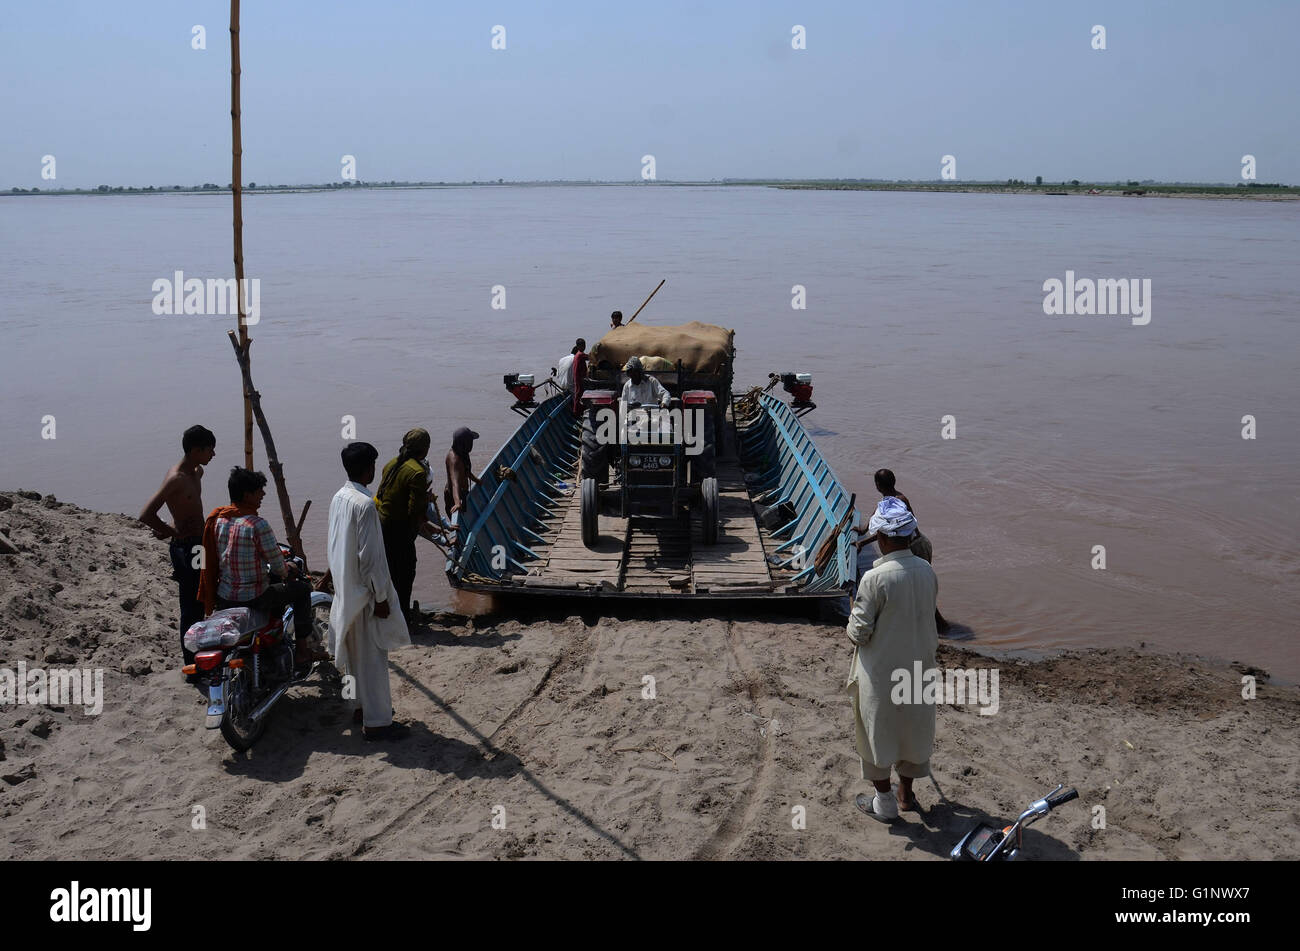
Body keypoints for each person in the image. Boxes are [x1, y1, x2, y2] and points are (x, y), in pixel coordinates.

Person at [846, 497, 939, 822]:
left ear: (882, 539)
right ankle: (905, 794)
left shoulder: (874, 579)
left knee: (878, 733)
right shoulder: (926, 570)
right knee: (912, 730)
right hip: (919, 668)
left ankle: (884, 803)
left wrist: (852, 614)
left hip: (883, 673)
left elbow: (859, 633)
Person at [327, 443, 412, 742]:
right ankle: (377, 723)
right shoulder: (365, 504)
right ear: (368, 469)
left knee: (354, 657)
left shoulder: (339, 497)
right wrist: (380, 599)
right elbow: (371, 559)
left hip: (345, 591)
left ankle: (361, 708)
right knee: (373, 660)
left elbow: (336, 544)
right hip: (364, 595)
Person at [197, 467, 318, 666]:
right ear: (247, 495)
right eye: (258, 491)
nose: (263, 494)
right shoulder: (257, 525)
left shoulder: (218, 520)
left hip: (224, 595)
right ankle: (303, 650)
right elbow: (279, 567)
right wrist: (288, 567)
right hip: (253, 597)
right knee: (302, 590)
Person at [139, 425, 216, 677]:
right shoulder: (177, 478)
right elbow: (146, 514)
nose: (213, 455)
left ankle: (203, 655)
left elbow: (183, 509)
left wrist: (173, 524)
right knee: (191, 605)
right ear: (196, 450)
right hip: (187, 548)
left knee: (203, 598)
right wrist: (173, 532)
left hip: (198, 545)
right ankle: (192, 665)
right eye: (209, 450)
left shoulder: (198, 472)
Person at [854, 468, 949, 632]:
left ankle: (941, 626)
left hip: (916, 546)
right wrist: (861, 530)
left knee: (919, 589)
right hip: (917, 543)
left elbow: (893, 533)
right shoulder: (890, 500)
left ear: (877, 485)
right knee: (919, 587)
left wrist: (863, 542)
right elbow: (872, 523)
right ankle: (929, 623)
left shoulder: (898, 501)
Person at [375, 428, 442, 623]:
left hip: (382, 524)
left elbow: (385, 494)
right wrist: (428, 525)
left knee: (389, 571)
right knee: (405, 574)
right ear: (426, 449)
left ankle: (387, 613)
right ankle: (402, 618)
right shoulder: (418, 472)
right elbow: (414, 511)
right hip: (400, 531)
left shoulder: (391, 464)